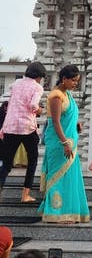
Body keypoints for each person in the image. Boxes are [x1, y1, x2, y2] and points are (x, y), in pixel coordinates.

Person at [38, 65, 90, 225]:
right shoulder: (56, 96)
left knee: (69, 178)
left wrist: (76, 125)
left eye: (77, 81)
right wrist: (65, 142)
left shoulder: (67, 95)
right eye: (73, 80)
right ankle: (56, 213)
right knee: (57, 177)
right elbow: (55, 121)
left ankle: (68, 212)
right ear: (64, 79)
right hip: (59, 144)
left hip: (69, 142)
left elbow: (67, 117)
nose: (75, 83)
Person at [0, 62, 46, 203]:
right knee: (32, 160)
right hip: (27, 128)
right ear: (39, 76)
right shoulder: (37, 87)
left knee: (7, 163)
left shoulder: (16, 84)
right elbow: (33, 105)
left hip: (11, 126)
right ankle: (25, 194)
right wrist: (40, 110)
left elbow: (11, 94)